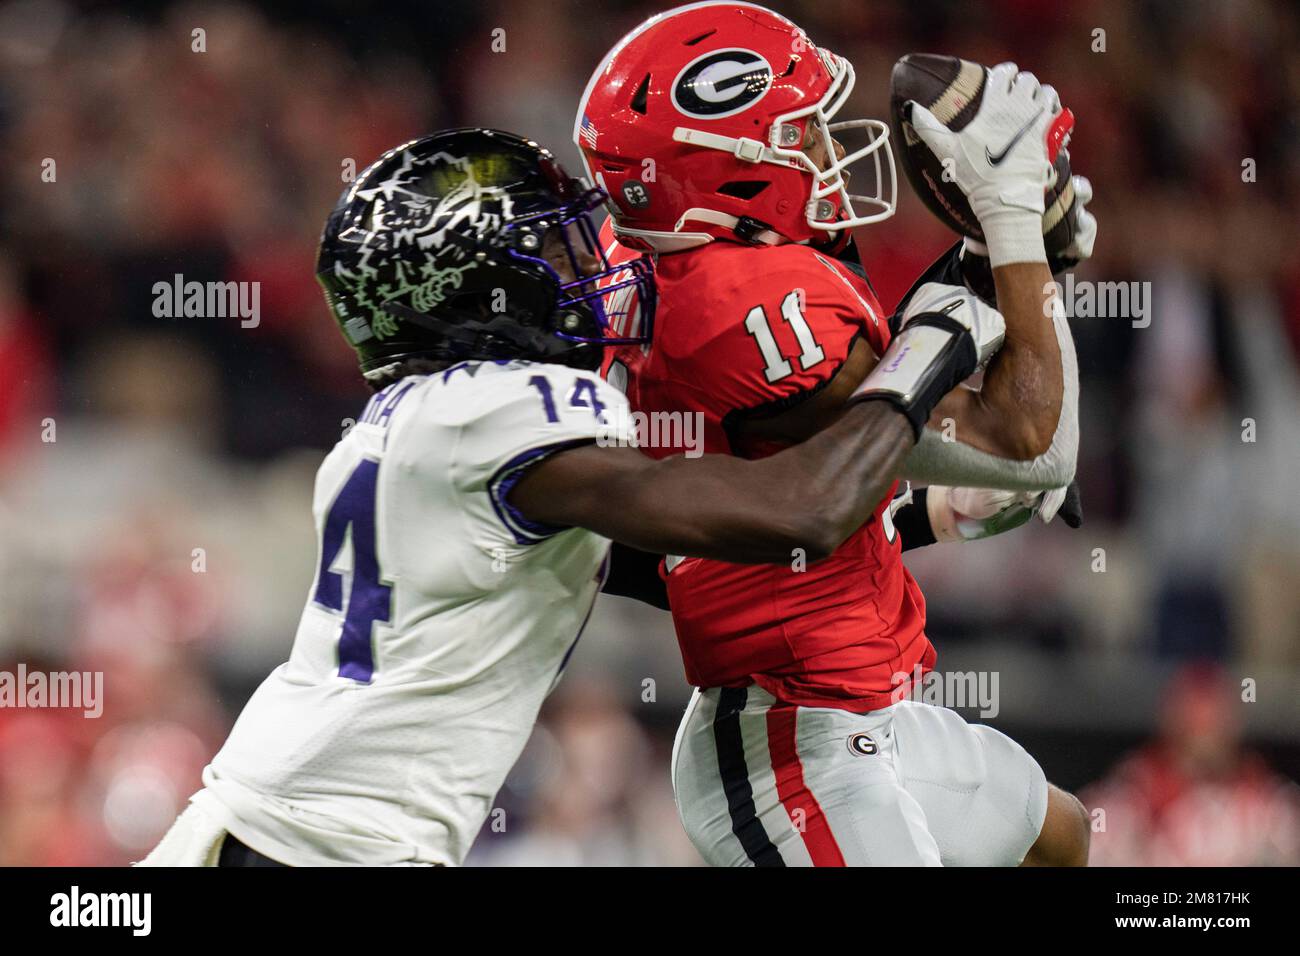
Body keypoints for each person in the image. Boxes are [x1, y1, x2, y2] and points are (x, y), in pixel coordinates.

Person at [138, 127, 998, 866]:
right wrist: (926, 351)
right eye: (549, 248)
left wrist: (915, 517)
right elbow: (795, 510)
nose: (585, 262)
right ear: (474, 288)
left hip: (279, 826)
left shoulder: (419, 425)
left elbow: (677, 560)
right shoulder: (500, 411)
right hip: (318, 844)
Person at [575, 1, 1093, 865]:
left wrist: (927, 514)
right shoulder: (736, 310)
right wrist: (1008, 223)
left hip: (864, 709)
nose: (824, 150)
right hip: (788, 738)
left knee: (1061, 837)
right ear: (725, 169)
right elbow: (1029, 441)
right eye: (801, 130)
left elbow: (783, 496)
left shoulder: (677, 267)